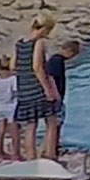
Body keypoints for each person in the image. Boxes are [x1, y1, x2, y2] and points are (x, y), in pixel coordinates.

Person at [13, 13, 62, 161]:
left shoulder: (19, 42)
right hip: (37, 87)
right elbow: (37, 67)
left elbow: (13, 65)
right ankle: (50, 154)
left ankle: (31, 158)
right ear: (44, 29)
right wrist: (48, 89)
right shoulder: (38, 43)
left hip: (23, 89)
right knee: (51, 120)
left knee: (30, 125)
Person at [42, 40, 78, 160]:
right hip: (55, 97)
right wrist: (56, 95)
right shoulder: (57, 61)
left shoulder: (56, 60)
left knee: (54, 123)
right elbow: (51, 78)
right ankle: (52, 148)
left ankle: (52, 146)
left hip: (52, 96)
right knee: (56, 122)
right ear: (69, 51)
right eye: (73, 54)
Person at [0, 57, 19, 162]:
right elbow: (15, 91)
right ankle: (15, 153)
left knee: (0, 129)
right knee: (14, 130)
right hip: (12, 106)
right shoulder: (13, 79)